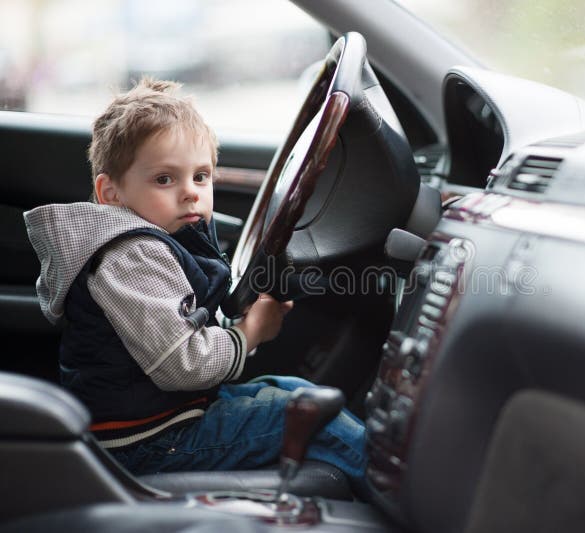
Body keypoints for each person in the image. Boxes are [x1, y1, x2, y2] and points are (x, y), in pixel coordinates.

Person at [23, 77, 366, 482]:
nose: (190, 193)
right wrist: (249, 333)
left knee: (292, 390)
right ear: (111, 193)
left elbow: (188, 327)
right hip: (146, 443)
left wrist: (244, 318)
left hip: (168, 418)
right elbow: (183, 364)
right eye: (164, 179)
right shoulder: (131, 256)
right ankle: (402, 496)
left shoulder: (162, 241)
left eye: (201, 176)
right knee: (321, 420)